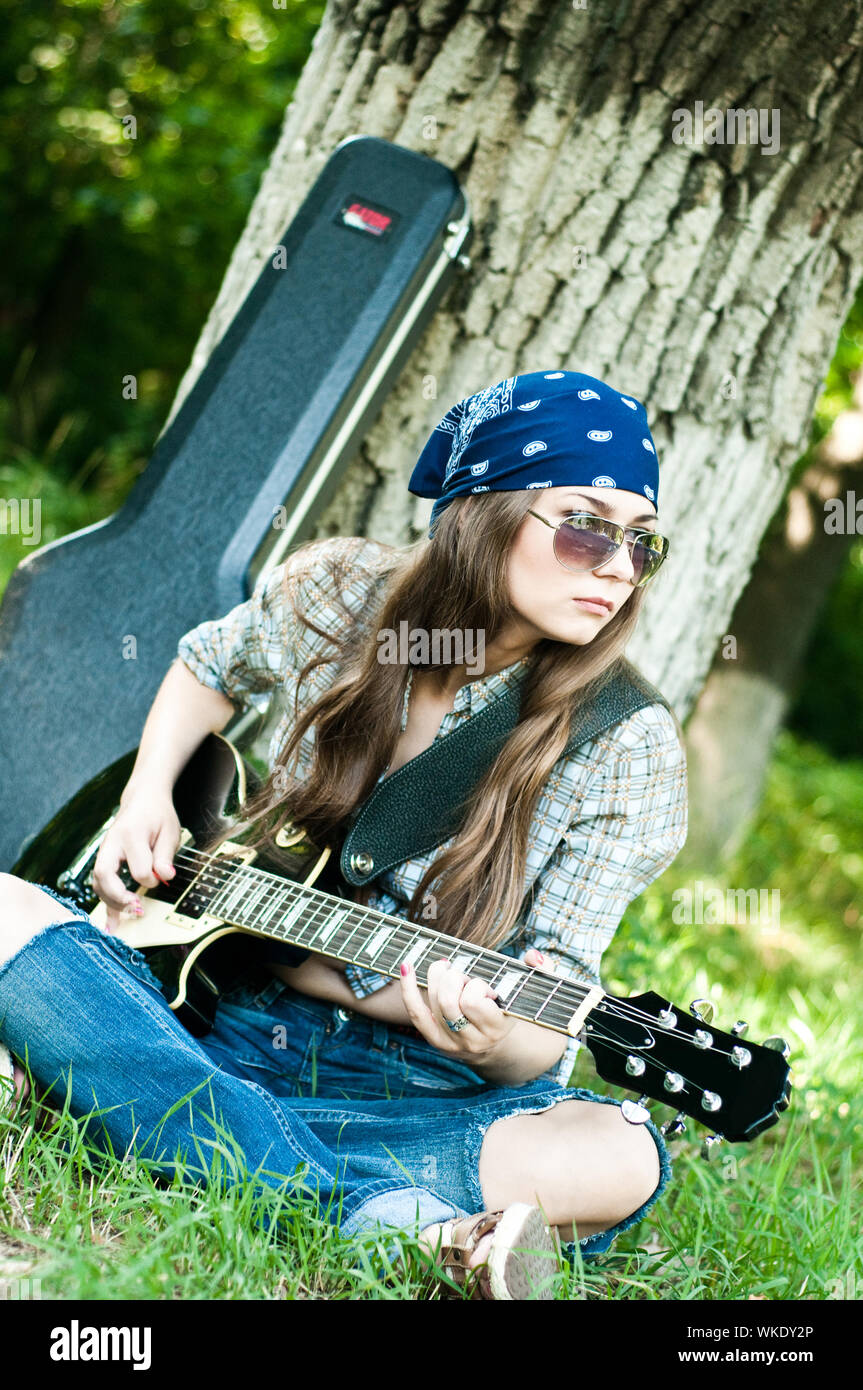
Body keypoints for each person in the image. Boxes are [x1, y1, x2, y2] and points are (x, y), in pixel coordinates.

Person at [0, 369, 687, 1300]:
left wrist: (489, 1043)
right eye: (584, 526)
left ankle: (142, 1099)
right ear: (484, 506)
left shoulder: (625, 742)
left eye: (640, 543)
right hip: (221, 1010)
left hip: (418, 1089)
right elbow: (207, 665)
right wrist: (148, 795)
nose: (616, 566)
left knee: (623, 1156)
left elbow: (551, 999)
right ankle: (394, 1219)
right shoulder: (341, 593)